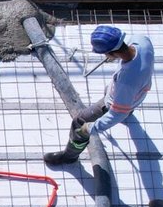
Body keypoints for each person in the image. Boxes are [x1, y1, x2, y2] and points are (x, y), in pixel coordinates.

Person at [44, 24, 154, 165]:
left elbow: (116, 114)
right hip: (139, 92)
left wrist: (91, 128)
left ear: (111, 53)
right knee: (122, 102)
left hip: (120, 99)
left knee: (79, 122)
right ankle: (129, 111)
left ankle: (69, 156)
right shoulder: (142, 42)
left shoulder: (126, 82)